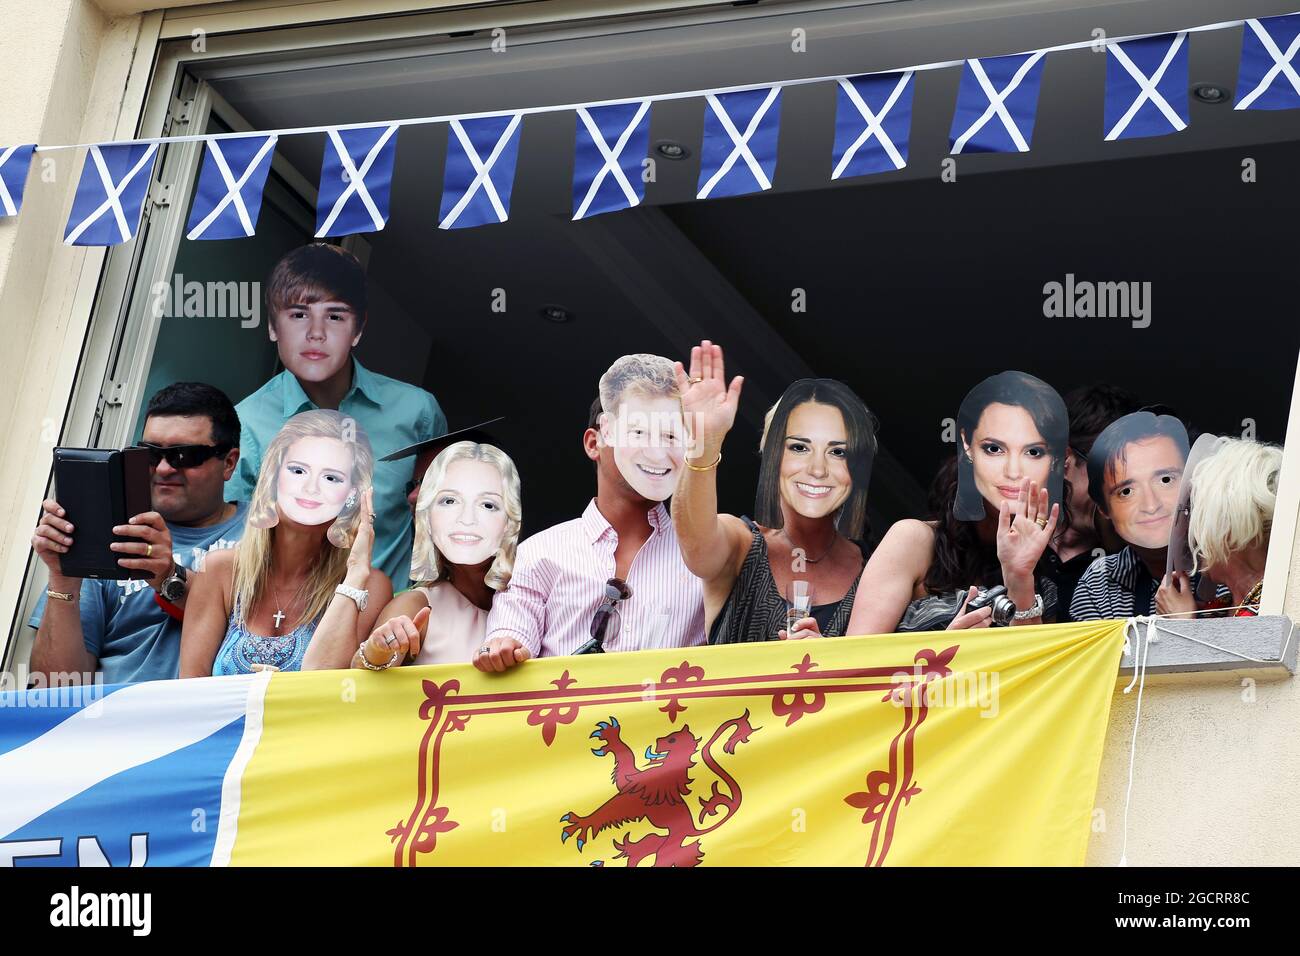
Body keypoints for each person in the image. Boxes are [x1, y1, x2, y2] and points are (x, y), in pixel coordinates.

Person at [225, 243, 447, 590]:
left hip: (384, 627)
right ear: (272, 326)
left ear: (358, 329)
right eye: (298, 314)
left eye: (335, 316)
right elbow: (239, 549)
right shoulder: (244, 424)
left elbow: (436, 532)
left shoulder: (417, 412)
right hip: (285, 629)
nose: (316, 332)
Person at [476, 354, 705, 673]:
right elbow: (508, 637)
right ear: (594, 443)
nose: (657, 450)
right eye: (638, 432)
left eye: (670, 436)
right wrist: (501, 648)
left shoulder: (705, 559)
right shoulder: (539, 554)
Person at [28, 383, 247, 685]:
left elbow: (278, 647)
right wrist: (62, 579)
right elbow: (56, 689)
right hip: (113, 725)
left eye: (185, 456)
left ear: (229, 462)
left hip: (217, 725)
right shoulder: (109, 530)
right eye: (150, 454)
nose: (164, 468)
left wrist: (170, 579)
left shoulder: (264, 534)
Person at [671, 342, 875, 642]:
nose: (817, 469)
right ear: (771, 456)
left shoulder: (876, 569)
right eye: (799, 447)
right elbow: (697, 550)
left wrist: (832, 663)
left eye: (838, 452)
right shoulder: (740, 545)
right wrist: (705, 442)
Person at [846, 370, 1065, 635]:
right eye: (994, 449)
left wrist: (1020, 578)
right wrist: (943, 654)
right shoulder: (913, 540)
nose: (1013, 470)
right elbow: (855, 668)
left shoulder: (1049, 571)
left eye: (1033, 452)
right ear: (967, 446)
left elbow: (1039, 672)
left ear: (1055, 461)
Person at [181, 409, 390, 675]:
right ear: (273, 478)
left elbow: (331, 691)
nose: (311, 487)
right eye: (298, 470)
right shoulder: (220, 569)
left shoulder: (368, 585)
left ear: (351, 495)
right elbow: (189, 691)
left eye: (331, 477)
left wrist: (356, 571)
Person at [345, 441, 522, 670]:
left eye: (488, 505)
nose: (467, 518)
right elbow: (359, 687)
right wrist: (376, 650)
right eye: (449, 501)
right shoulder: (416, 605)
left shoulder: (538, 591)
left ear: (510, 519)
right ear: (427, 519)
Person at [1069, 411, 1199, 620]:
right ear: (1104, 509)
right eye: (1126, 492)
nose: (1151, 505)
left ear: (1194, 480)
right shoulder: (1099, 585)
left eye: (1166, 480)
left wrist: (1186, 624)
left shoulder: (1231, 564)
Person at [1047, 383, 1141, 618]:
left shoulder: (1138, 558)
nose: (1120, 489)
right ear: (1066, 461)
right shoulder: (1012, 542)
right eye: (1109, 470)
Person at [1167, 438, 1282, 617]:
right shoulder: (1217, 609)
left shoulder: (1280, 606)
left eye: (1198, 511)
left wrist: (1181, 624)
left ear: (1227, 522)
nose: (1191, 528)